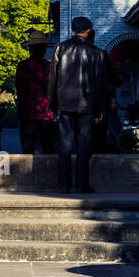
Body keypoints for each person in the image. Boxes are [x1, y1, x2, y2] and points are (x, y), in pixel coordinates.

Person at [47, 16, 107, 193]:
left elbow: (53, 80)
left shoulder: (60, 49)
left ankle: (64, 184)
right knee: (84, 145)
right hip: (87, 105)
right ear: (88, 31)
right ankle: (82, 185)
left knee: (64, 144)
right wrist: (100, 108)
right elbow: (99, 84)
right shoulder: (96, 53)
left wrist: (52, 105)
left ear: (73, 30)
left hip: (65, 104)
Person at [14, 28, 56, 154]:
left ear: (30, 49)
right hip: (45, 113)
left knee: (28, 150)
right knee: (48, 148)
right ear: (44, 49)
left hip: (27, 113)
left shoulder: (22, 66)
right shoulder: (49, 66)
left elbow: (18, 88)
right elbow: (52, 88)